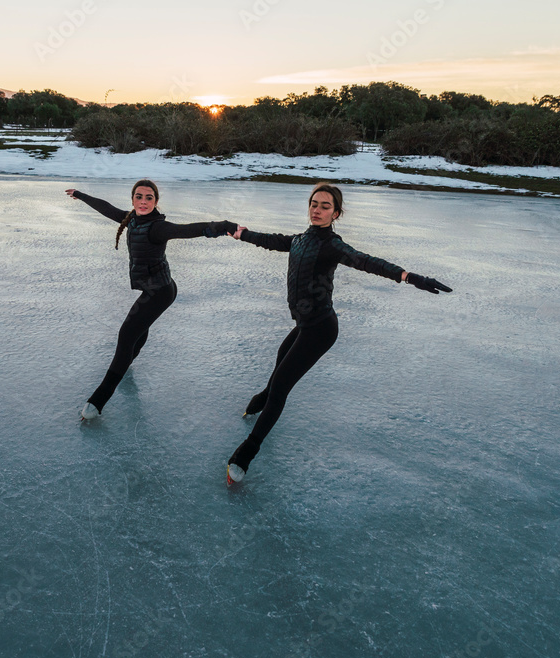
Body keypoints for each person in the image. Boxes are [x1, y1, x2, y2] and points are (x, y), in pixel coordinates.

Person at [226, 183, 452, 484]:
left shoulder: (332, 244)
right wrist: (241, 233)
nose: (317, 210)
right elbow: (270, 240)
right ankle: (259, 402)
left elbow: (366, 261)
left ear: (336, 212)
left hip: (320, 330)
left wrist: (409, 277)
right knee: (276, 375)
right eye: (314, 204)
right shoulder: (300, 240)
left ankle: (245, 454)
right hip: (304, 326)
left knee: (280, 386)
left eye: (325, 206)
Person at [66, 180, 236, 420]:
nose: (143, 202)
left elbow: (188, 229)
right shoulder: (131, 219)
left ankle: (98, 400)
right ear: (133, 199)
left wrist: (224, 226)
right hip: (156, 289)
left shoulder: (158, 227)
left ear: (156, 201)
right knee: (138, 329)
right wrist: (80, 195)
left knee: (127, 335)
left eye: (148, 198)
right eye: (139, 197)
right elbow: (106, 208)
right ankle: (126, 364)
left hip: (160, 292)